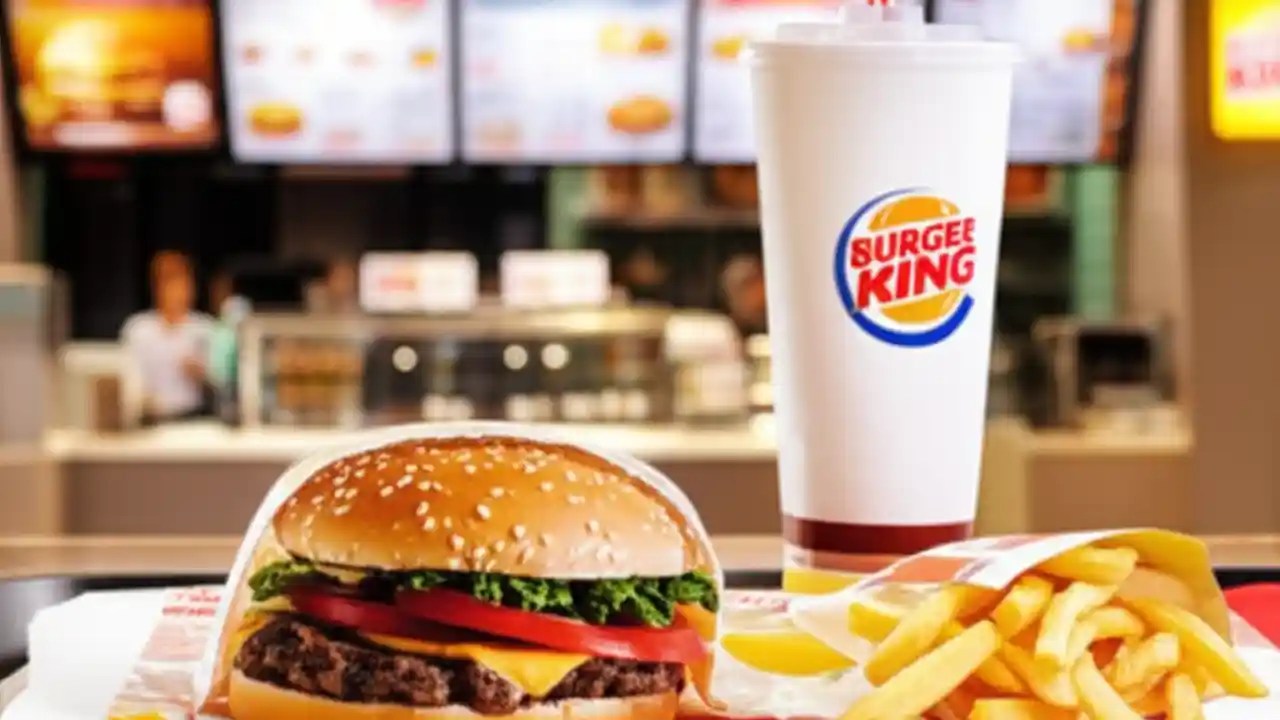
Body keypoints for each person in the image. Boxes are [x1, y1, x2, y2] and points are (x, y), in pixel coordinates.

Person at [121, 251, 215, 424]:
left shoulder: (205, 328)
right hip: (149, 419)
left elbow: (222, 382)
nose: (179, 291)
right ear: (157, 287)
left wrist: (203, 373)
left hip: (194, 418)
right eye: (170, 282)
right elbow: (129, 376)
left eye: (185, 283)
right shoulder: (138, 329)